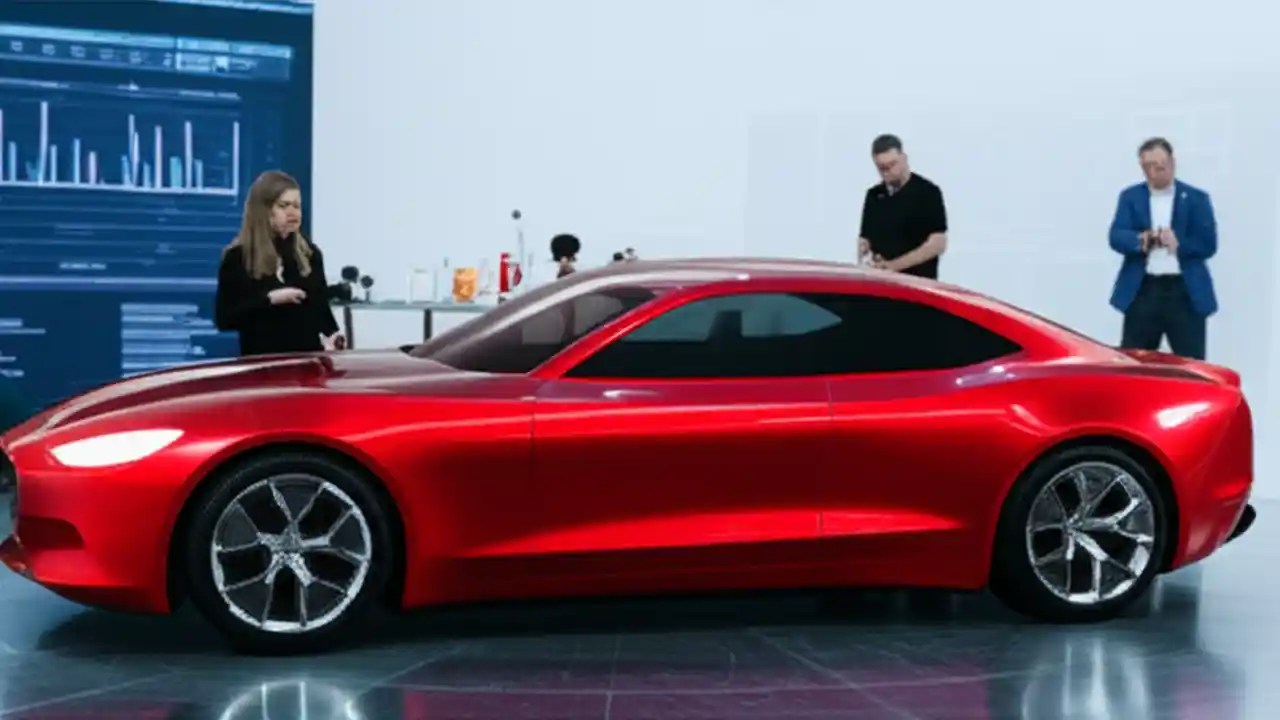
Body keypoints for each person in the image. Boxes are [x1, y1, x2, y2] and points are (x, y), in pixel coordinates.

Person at [1108, 137, 1217, 359]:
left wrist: (1179, 244)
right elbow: (1116, 237)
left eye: (1161, 166)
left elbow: (1208, 244)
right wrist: (1142, 240)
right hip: (1144, 289)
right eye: (1149, 167)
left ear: (1172, 162)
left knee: (1191, 364)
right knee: (1135, 362)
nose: (1156, 172)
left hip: (1184, 292)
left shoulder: (1196, 198)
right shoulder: (1130, 197)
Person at [215, 170, 344, 356]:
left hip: (306, 366)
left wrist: (333, 335)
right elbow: (225, 319)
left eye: (297, 206)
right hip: (261, 366)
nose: (293, 213)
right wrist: (270, 300)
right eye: (284, 206)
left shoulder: (311, 255)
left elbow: (320, 309)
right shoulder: (237, 258)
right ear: (264, 210)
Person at [857, 134, 948, 279]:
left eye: (892, 164)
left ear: (904, 158)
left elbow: (937, 243)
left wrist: (894, 266)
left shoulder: (927, 193)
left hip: (917, 285)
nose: (887, 172)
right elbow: (865, 239)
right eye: (882, 168)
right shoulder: (874, 196)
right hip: (881, 285)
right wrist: (866, 257)